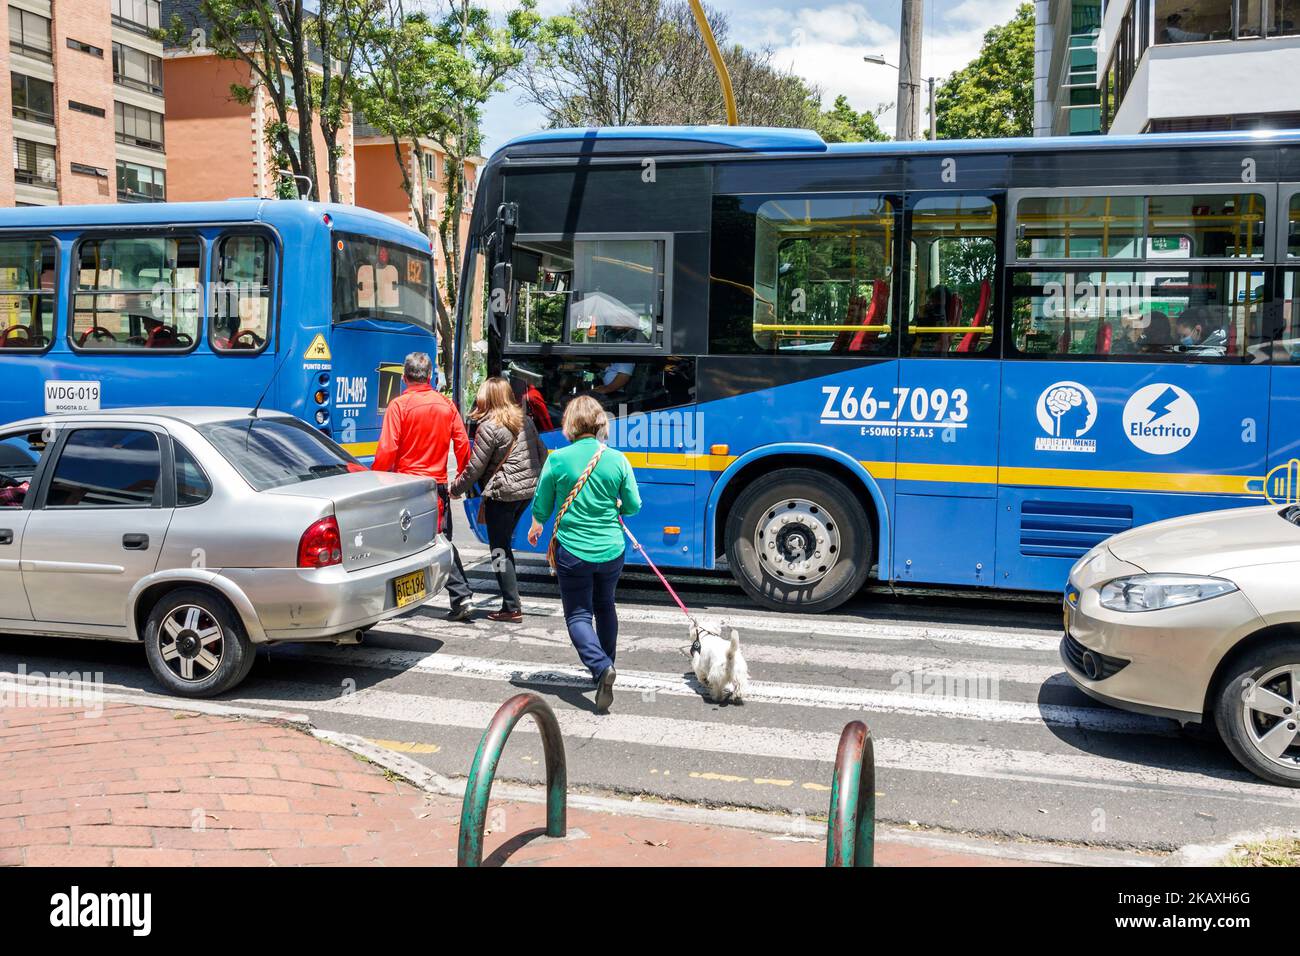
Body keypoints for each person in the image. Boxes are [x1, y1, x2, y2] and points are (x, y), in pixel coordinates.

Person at [528, 395, 641, 712]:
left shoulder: (558, 459)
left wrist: (537, 524)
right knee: (605, 605)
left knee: (578, 614)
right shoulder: (617, 459)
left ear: (570, 424)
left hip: (573, 550)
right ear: (600, 423)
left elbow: (543, 504)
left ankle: (601, 667)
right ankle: (608, 665)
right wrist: (616, 505)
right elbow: (632, 506)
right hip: (611, 550)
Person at [372, 351, 476, 621]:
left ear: (405, 378)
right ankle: (460, 597)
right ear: (430, 376)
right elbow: (463, 444)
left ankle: (403, 598)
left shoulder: (399, 406)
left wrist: (377, 479)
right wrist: (463, 476)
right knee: (441, 539)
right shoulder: (446, 404)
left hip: (407, 485)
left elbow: (388, 448)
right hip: (437, 485)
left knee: (402, 543)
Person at [451, 376, 546, 623]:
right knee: (504, 546)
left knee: (499, 551)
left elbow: (475, 468)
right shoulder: (525, 420)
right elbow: (542, 453)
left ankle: (512, 607)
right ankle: (510, 603)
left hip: (504, 494)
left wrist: (456, 488)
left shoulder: (489, 427)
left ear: (488, 398)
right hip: (526, 492)